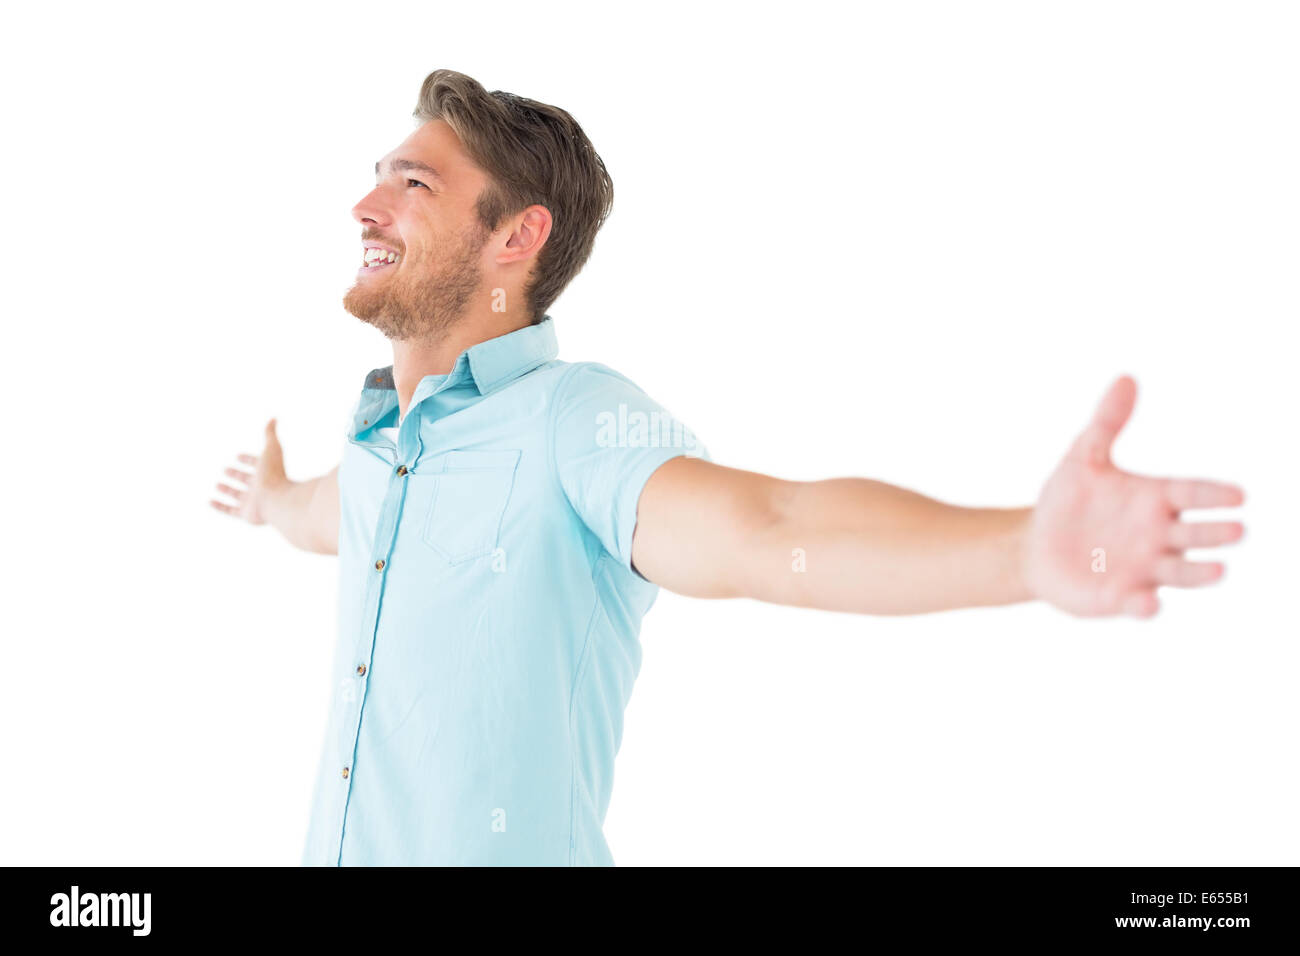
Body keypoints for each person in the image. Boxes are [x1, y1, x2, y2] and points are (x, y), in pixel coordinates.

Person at [209, 69, 1245, 866]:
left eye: (412, 182)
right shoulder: (380, 450)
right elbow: (325, 513)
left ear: (516, 236)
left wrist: (1019, 548)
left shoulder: (573, 422)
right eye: (377, 175)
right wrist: (269, 496)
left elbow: (769, 529)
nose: (365, 205)